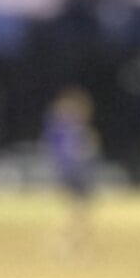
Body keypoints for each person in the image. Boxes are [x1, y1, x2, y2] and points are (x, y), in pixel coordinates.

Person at [39, 84, 99, 249]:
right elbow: (79, 150)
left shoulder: (60, 127)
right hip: (72, 172)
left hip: (71, 172)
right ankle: (64, 240)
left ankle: (71, 240)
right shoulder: (63, 128)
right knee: (76, 208)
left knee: (77, 209)